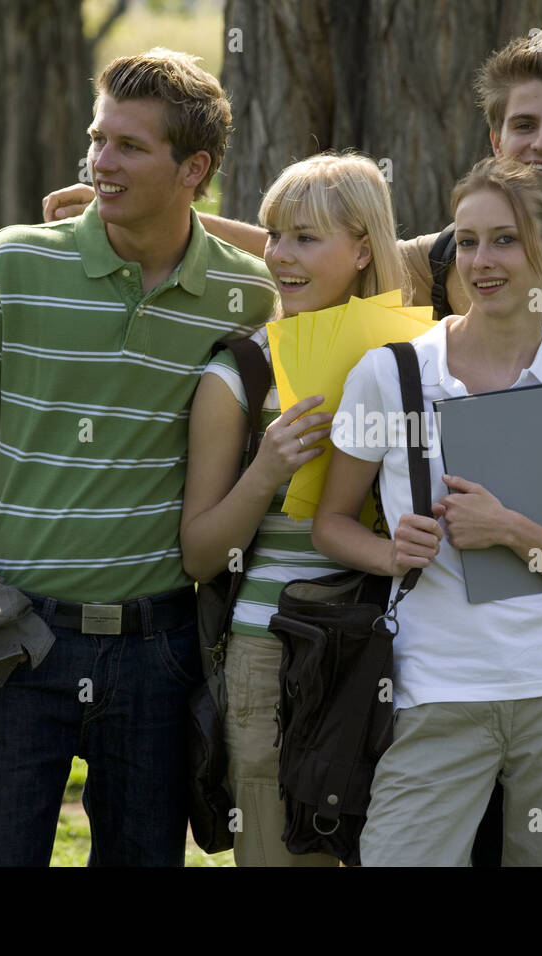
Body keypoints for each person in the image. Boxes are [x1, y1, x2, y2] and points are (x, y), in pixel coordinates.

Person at [42, 29, 542, 867]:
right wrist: (167, 215)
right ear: (497, 140)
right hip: (465, 640)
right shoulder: (455, 258)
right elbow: (325, 245)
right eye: (523, 125)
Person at [0, 49, 277, 866]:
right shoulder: (13, 259)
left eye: (128, 147)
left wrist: (202, 224)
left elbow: (359, 268)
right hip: (13, 639)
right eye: (97, 139)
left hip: (161, 649)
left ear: (196, 168)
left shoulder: (247, 294)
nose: (99, 162)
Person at [311, 157, 542, 866]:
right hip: (435, 686)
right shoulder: (394, 375)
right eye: (467, 241)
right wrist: (389, 552)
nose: (481, 261)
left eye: (505, 240)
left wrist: (513, 532)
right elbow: (331, 523)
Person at [180, 152, 408, 866]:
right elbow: (199, 554)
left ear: (365, 248)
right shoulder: (238, 375)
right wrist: (266, 470)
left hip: (397, 649)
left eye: (305, 238)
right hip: (274, 657)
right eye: (273, 234)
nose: (278, 255)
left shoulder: (419, 354)